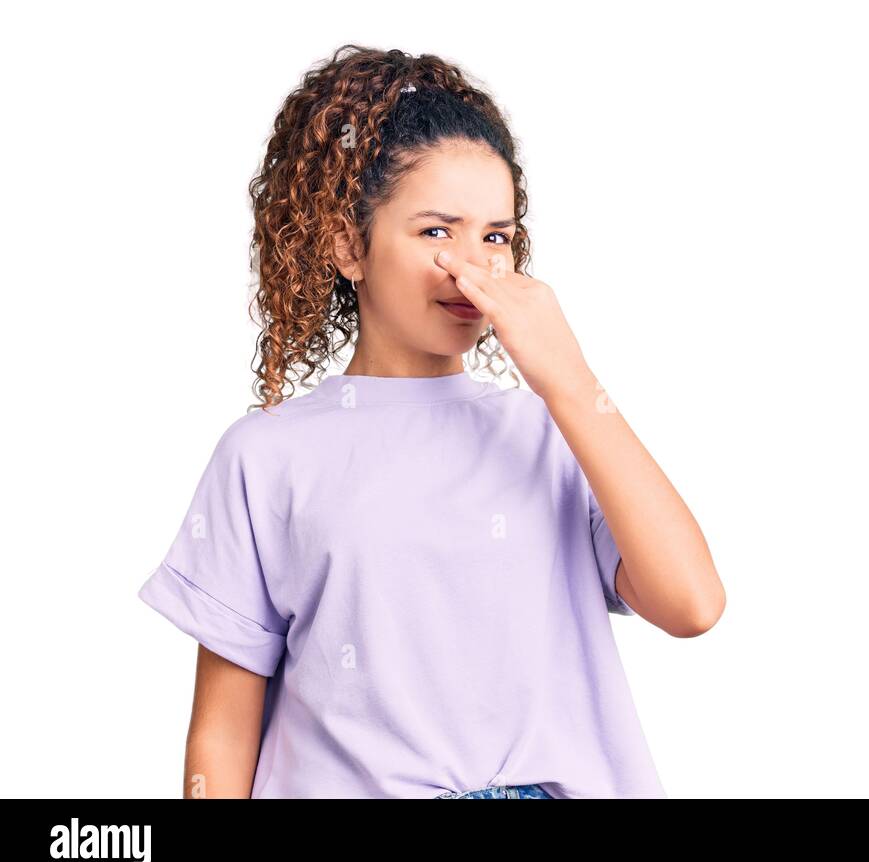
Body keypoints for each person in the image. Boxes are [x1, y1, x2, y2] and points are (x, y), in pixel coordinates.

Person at [136, 44, 726, 799]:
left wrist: (569, 378)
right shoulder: (266, 457)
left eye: (495, 236)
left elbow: (692, 604)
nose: (470, 267)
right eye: (436, 233)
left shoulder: (552, 433)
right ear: (351, 245)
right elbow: (221, 732)